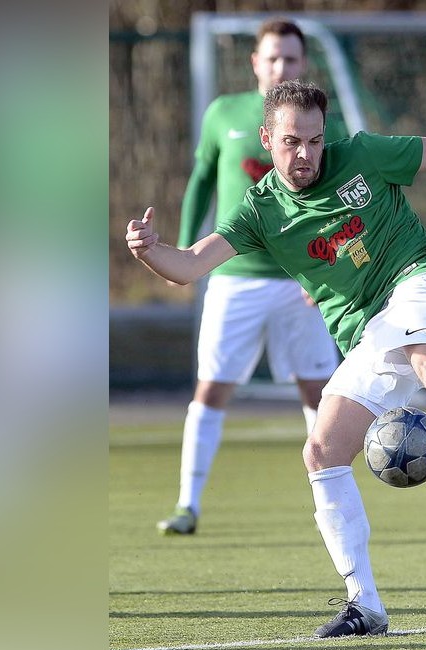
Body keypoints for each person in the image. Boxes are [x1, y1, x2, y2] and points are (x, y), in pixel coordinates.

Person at [126, 80, 426, 638]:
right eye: (290, 142)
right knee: (322, 451)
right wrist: (149, 251)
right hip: (367, 334)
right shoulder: (260, 210)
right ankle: (365, 605)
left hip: (419, 281)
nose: (304, 154)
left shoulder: (361, 155)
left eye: (313, 140)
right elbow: (187, 266)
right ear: (266, 139)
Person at [157, 18, 346, 536]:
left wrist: (327, 267)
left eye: (290, 58)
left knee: (319, 392)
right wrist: (181, 248)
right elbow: (200, 180)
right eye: (272, 57)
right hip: (234, 276)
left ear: (302, 63)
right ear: (255, 63)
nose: (281, 66)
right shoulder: (224, 113)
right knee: (212, 388)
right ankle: (187, 504)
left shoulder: (320, 122)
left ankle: (329, 503)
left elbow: (339, 202)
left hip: (301, 281)